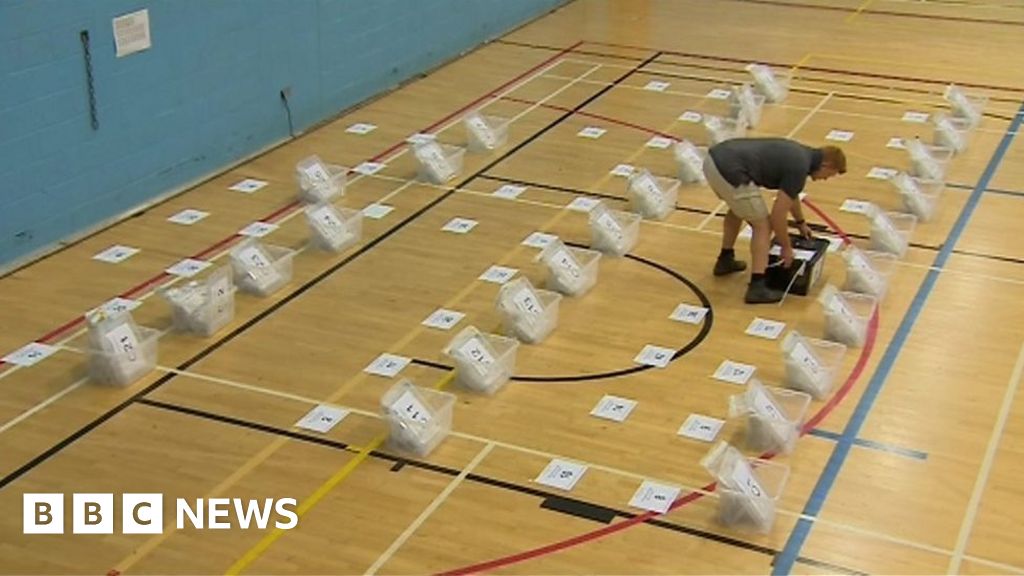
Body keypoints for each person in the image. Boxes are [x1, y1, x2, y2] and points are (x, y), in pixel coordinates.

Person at [702, 137, 846, 304]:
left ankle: (725, 260)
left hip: (714, 161)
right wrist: (786, 248)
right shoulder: (799, 167)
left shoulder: (801, 155)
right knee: (763, 225)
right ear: (826, 165)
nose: (826, 179)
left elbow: (790, 194)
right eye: (830, 174)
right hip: (729, 169)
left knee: (738, 210)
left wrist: (800, 223)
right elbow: (778, 215)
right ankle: (757, 286)